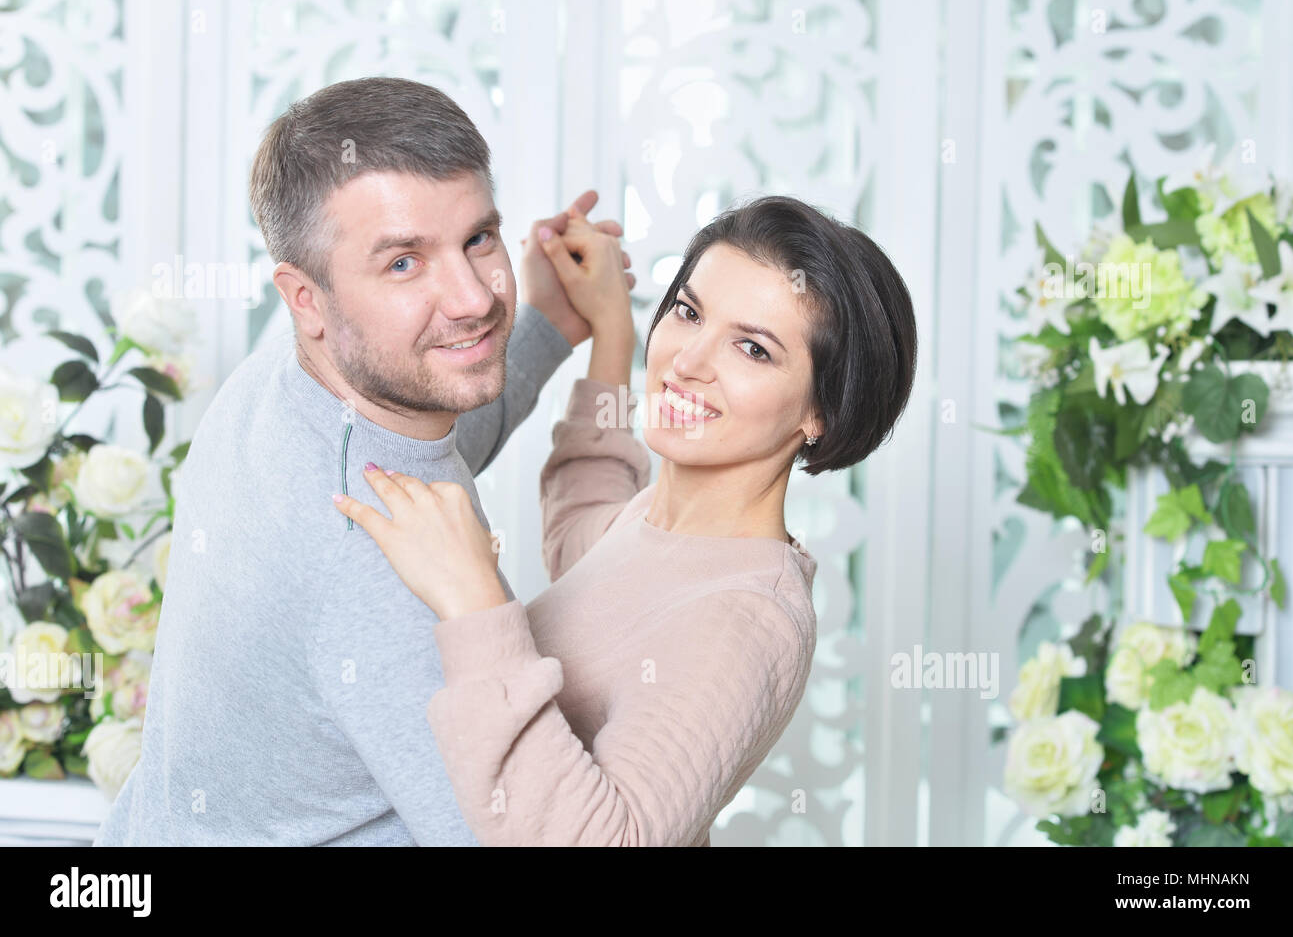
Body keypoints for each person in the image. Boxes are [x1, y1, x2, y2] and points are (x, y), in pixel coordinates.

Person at [94, 76, 632, 845]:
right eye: (405, 263)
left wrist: (549, 317)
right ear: (306, 298)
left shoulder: (290, 377)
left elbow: (431, 437)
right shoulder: (384, 568)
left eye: (478, 238)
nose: (474, 297)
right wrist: (617, 347)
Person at [334, 194, 919, 845]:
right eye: (688, 312)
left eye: (752, 348)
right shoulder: (666, 524)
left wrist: (474, 601)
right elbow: (587, 527)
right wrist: (609, 329)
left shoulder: (744, 618)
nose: (688, 362)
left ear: (821, 414)